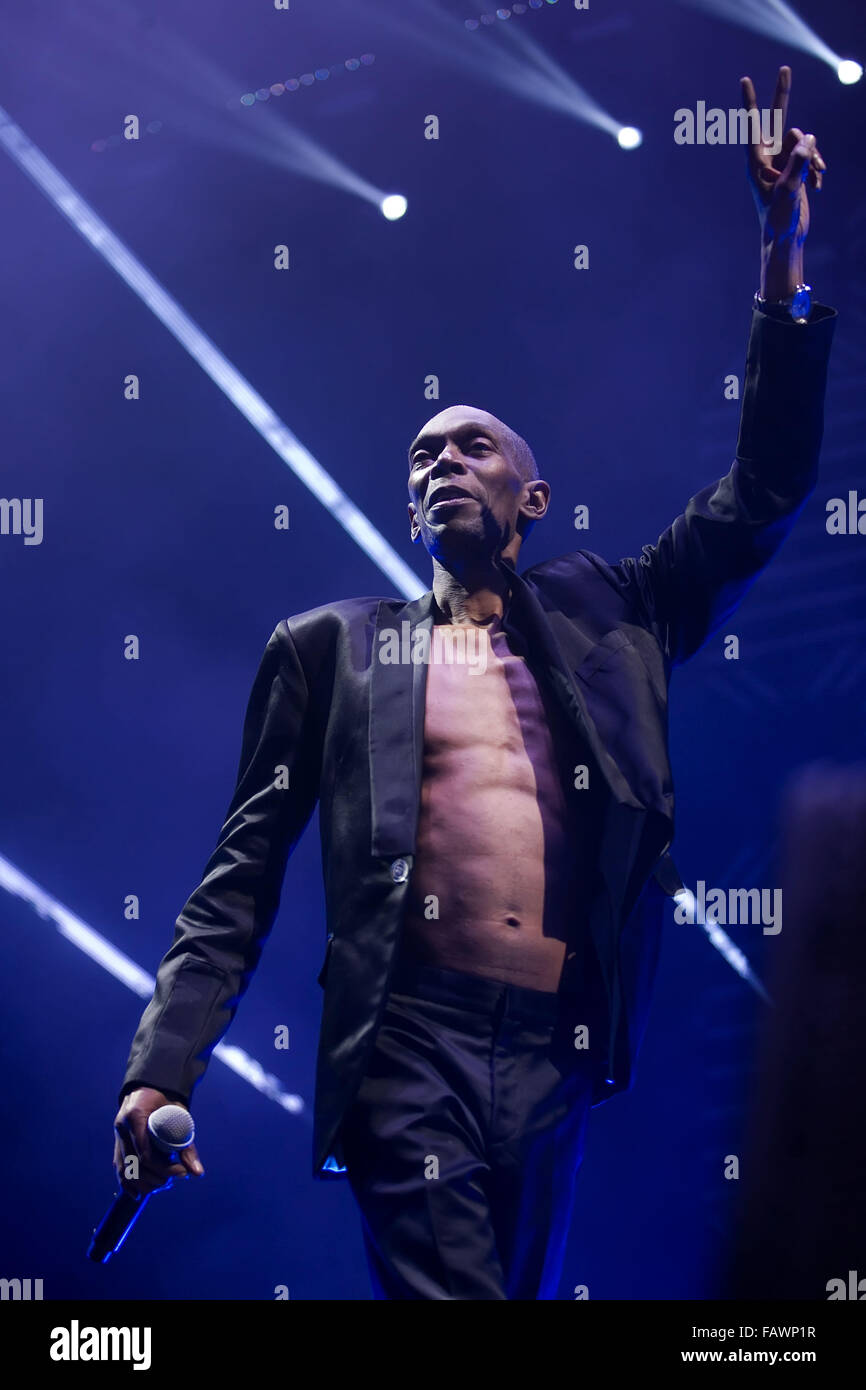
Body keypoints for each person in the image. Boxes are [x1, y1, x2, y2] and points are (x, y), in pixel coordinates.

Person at [113, 66, 836, 1299]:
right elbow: (236, 880)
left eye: (473, 444)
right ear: (407, 506)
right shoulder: (330, 649)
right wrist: (160, 1067)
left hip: (558, 1045)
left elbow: (762, 490)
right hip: (409, 1037)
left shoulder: (614, 609)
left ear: (530, 497)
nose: (444, 460)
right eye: (422, 453)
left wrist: (778, 252)